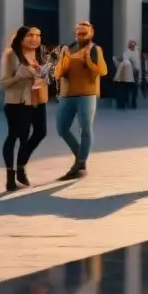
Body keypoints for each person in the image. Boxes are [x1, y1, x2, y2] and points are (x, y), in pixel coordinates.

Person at [54, 21, 108, 180]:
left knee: (85, 129)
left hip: (87, 94)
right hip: (67, 94)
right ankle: (80, 156)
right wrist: (64, 58)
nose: (80, 36)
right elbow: (57, 73)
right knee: (62, 128)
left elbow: (103, 71)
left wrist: (88, 59)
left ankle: (80, 164)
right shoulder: (68, 49)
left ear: (91, 33)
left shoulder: (95, 49)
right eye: (77, 33)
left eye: (83, 33)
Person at [0, 26, 49, 191]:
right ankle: (10, 177)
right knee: (16, 137)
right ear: (20, 38)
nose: (34, 39)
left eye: (38, 35)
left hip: (37, 101)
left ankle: (21, 165)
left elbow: (44, 78)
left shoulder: (40, 53)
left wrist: (45, 75)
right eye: (30, 35)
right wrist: (18, 76)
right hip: (17, 103)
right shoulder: (11, 54)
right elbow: (3, 83)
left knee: (40, 133)